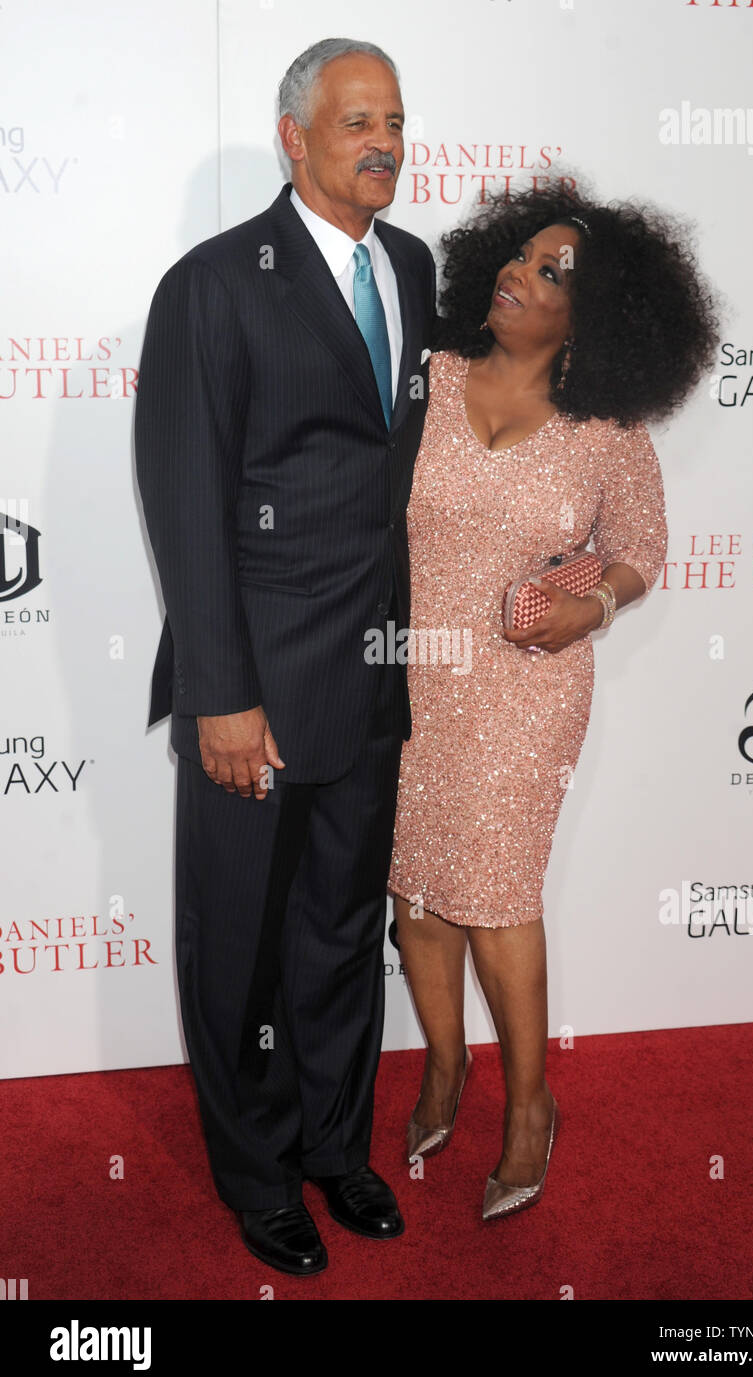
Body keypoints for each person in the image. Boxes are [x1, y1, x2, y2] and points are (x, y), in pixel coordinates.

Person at [135, 37, 436, 1276]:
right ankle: (257, 1172)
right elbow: (186, 496)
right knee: (243, 943)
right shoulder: (213, 284)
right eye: (356, 120)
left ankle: (332, 1145)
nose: (382, 143)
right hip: (252, 689)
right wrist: (220, 694)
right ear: (292, 136)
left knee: (335, 929)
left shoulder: (412, 268)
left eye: (397, 122)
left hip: (370, 675)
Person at [387, 185, 719, 1220]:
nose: (517, 274)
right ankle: (445, 1069)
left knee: (493, 893)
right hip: (402, 672)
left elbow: (639, 554)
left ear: (597, 314)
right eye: (519, 256)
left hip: (525, 692)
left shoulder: (605, 429)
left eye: (549, 272)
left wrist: (587, 610)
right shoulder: (426, 381)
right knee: (412, 895)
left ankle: (529, 1105)